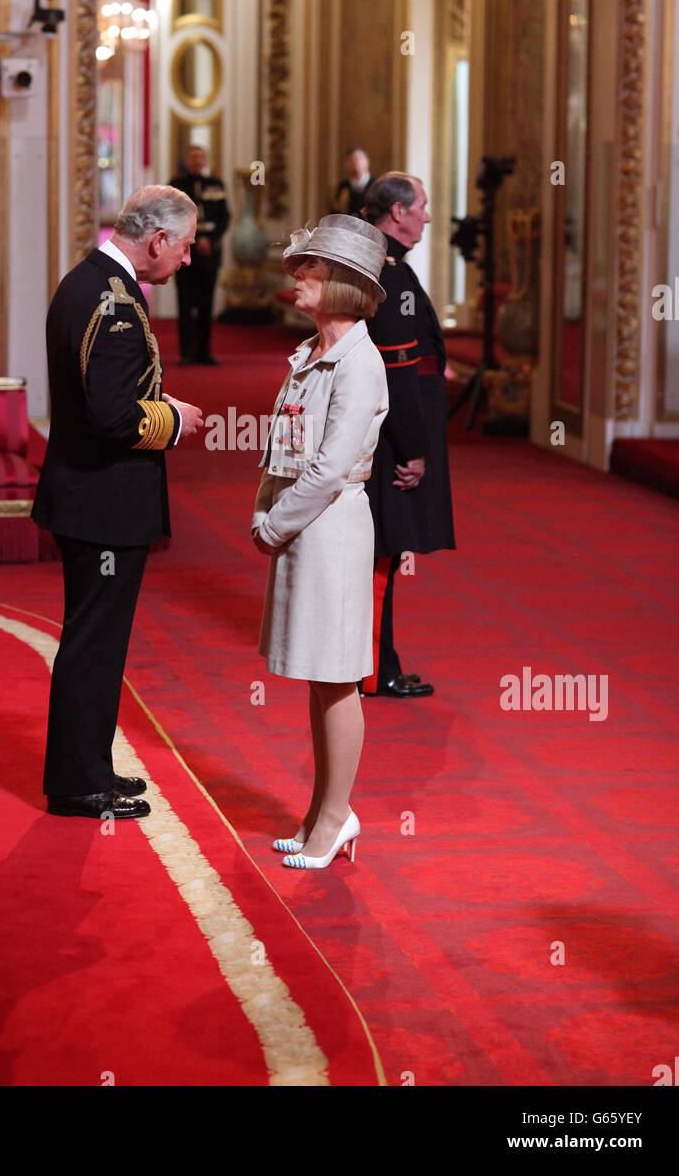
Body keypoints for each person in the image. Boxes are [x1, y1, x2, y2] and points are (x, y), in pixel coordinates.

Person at [32, 187, 203, 820]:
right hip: (102, 499)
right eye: (184, 247)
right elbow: (111, 417)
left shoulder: (92, 281)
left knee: (98, 640)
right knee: (94, 643)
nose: (186, 260)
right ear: (159, 240)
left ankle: (91, 766)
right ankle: (78, 783)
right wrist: (176, 420)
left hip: (89, 495)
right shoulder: (115, 301)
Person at [251, 214, 389, 869]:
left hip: (329, 529)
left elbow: (331, 468)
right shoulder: (311, 352)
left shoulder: (359, 362)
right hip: (304, 527)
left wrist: (273, 524)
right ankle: (318, 812)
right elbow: (283, 451)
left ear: (341, 284)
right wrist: (266, 511)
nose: (298, 277)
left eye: (310, 267)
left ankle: (337, 817)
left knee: (337, 679)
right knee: (318, 677)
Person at [361, 173, 456, 698]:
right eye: (421, 206)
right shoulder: (390, 273)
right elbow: (399, 370)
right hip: (392, 440)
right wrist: (415, 449)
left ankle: (383, 661)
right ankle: (376, 669)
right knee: (384, 552)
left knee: (385, 553)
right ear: (396, 212)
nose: (426, 215)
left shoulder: (375, 260)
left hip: (381, 431)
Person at [170, 145, 230, 365]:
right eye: (193, 158)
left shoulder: (216, 185)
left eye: (200, 158)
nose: (197, 162)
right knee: (185, 304)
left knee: (206, 304)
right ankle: (185, 352)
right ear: (187, 160)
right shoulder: (176, 186)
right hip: (185, 254)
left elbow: (224, 217)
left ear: (205, 161)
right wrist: (192, 241)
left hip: (210, 255)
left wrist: (210, 240)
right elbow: (172, 217)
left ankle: (204, 351)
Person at [331, 147, 374, 219]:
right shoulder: (342, 187)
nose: (355, 162)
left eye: (358, 159)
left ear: (367, 161)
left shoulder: (376, 185)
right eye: (351, 160)